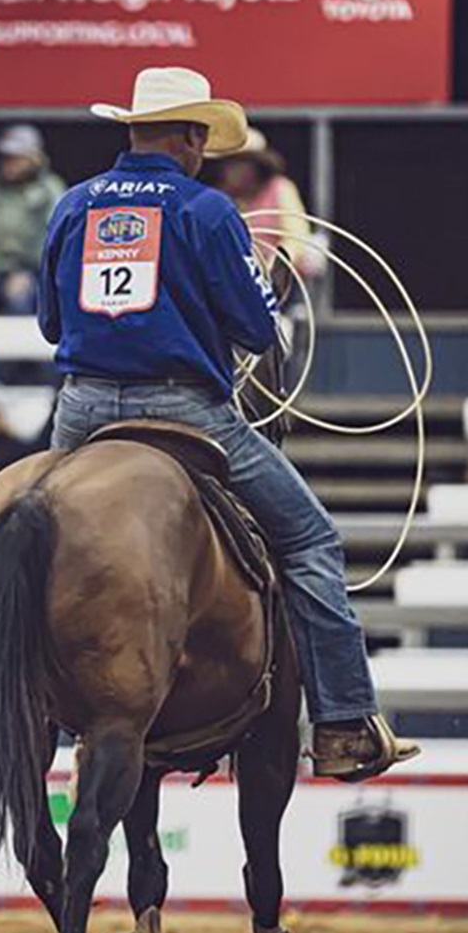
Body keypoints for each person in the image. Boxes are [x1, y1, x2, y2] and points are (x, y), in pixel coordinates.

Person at [38, 66, 418, 782]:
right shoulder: (209, 212)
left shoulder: (73, 205)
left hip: (80, 410)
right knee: (310, 541)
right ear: (191, 136)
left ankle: (28, 715)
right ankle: (343, 723)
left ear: (133, 129)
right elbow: (256, 327)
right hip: (185, 410)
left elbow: (51, 322)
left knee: (33, 541)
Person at [0, 125, 66, 316]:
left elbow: (54, 239)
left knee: (19, 301)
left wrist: (29, 270)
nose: (8, 163)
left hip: (32, 272)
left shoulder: (50, 190)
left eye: (16, 157)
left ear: (33, 158)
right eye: (5, 157)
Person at [209, 127, 323, 281]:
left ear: (258, 165)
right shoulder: (216, 196)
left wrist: (274, 266)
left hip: (276, 279)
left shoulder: (279, 189)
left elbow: (296, 237)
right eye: (230, 163)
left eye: (243, 162)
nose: (236, 169)